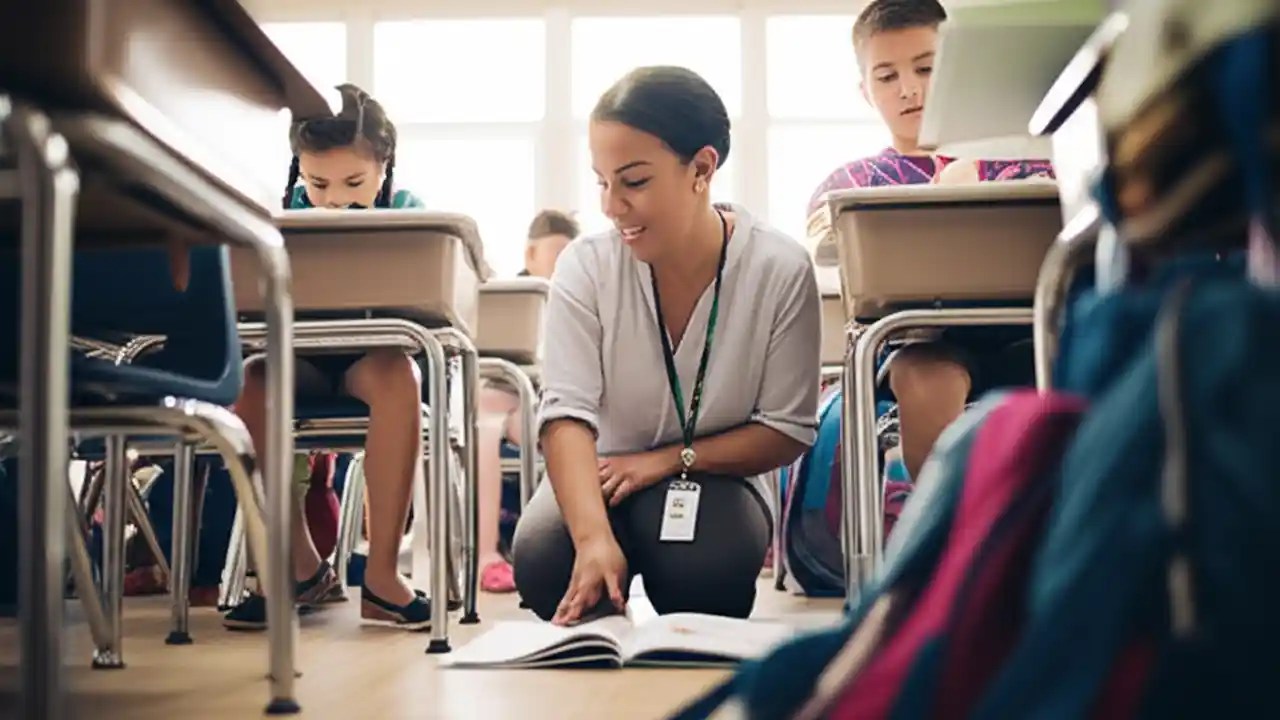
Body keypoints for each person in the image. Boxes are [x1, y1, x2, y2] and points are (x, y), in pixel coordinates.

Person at [512, 66, 821, 624]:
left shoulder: (779, 267)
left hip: (716, 479)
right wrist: (590, 537)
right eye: (602, 182)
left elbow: (787, 428)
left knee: (705, 574)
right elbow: (565, 415)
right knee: (544, 564)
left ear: (702, 168)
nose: (610, 206)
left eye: (633, 182)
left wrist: (665, 461)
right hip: (601, 473)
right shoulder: (586, 266)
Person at [806, 0, 1054, 487]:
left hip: (1035, 335)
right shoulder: (851, 184)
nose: (910, 89)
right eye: (887, 77)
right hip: (916, 345)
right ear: (865, 91)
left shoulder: (1025, 166)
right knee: (927, 377)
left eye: (926, 67)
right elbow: (827, 250)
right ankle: (950, 540)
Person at [223, 83, 434, 631]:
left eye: (354, 183)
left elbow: (427, 311)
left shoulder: (410, 214)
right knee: (251, 383)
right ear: (298, 168)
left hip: (371, 360)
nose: (335, 197)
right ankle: (297, 565)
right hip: (300, 360)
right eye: (317, 183)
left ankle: (383, 577)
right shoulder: (274, 213)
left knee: (399, 374)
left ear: (385, 167)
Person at [476, 210, 580, 594]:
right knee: (487, 415)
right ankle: (486, 553)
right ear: (530, 253)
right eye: (554, 257)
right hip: (505, 395)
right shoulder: (504, 298)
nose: (559, 268)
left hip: (548, 403)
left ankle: (568, 545)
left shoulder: (579, 300)